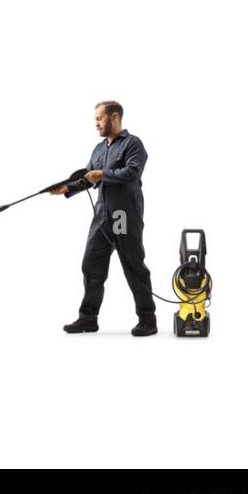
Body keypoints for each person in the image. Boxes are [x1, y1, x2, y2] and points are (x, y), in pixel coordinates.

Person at [52, 100, 157, 336]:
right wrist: (66, 188)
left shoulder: (133, 144)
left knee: (133, 265)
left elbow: (132, 172)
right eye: (96, 120)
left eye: (99, 119)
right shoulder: (99, 149)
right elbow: (88, 178)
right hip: (102, 215)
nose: (96, 124)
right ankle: (88, 318)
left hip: (123, 215)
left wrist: (103, 174)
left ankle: (147, 319)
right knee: (91, 264)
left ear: (114, 117)